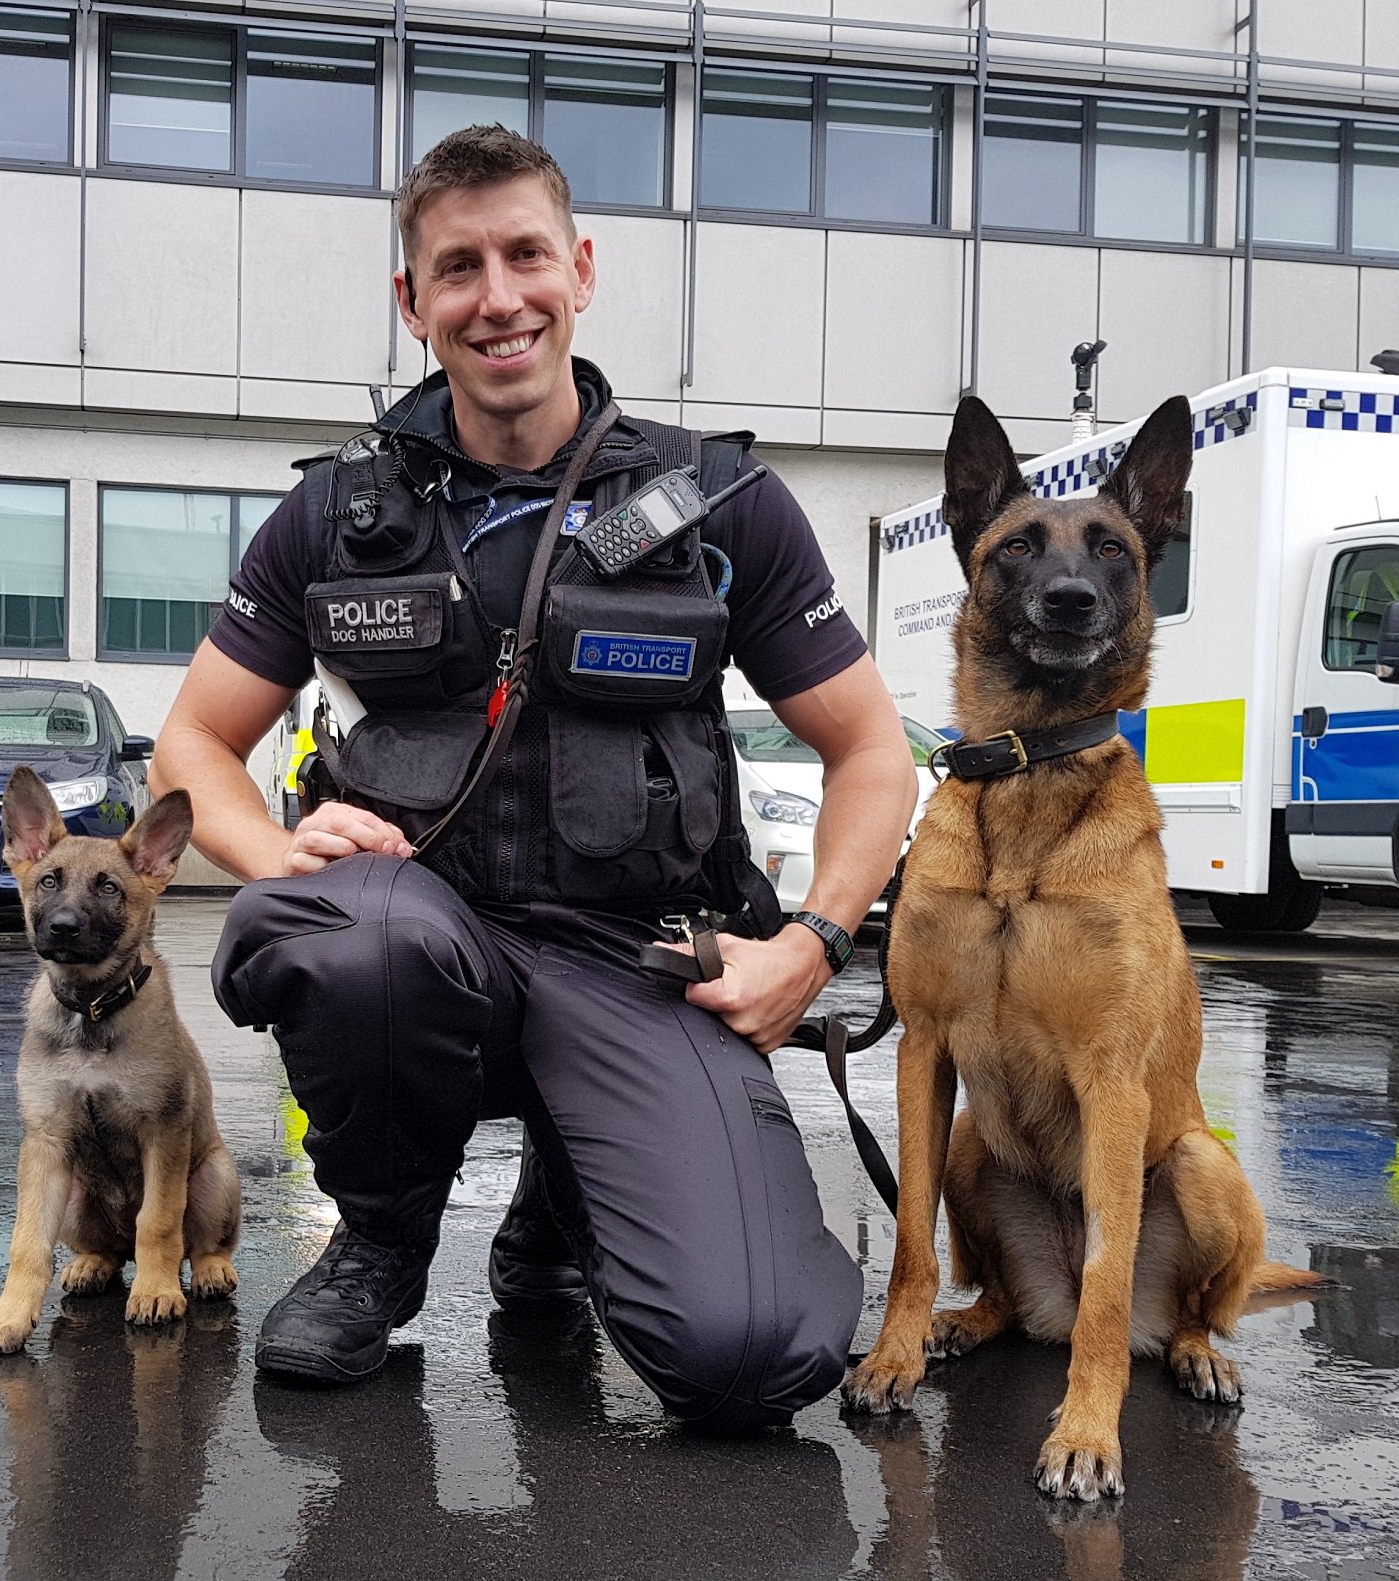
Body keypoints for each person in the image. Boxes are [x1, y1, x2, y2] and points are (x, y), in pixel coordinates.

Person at [152, 125, 917, 1430]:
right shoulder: (338, 515)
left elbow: (872, 753)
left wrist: (811, 940)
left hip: (636, 956)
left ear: (582, 269)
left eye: (524, 255)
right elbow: (192, 745)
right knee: (343, 934)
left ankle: (559, 1211)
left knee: (754, 1358)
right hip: (423, 940)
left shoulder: (711, 505)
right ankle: (385, 1240)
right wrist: (276, 856)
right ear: (412, 300)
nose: (496, 295)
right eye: (457, 267)